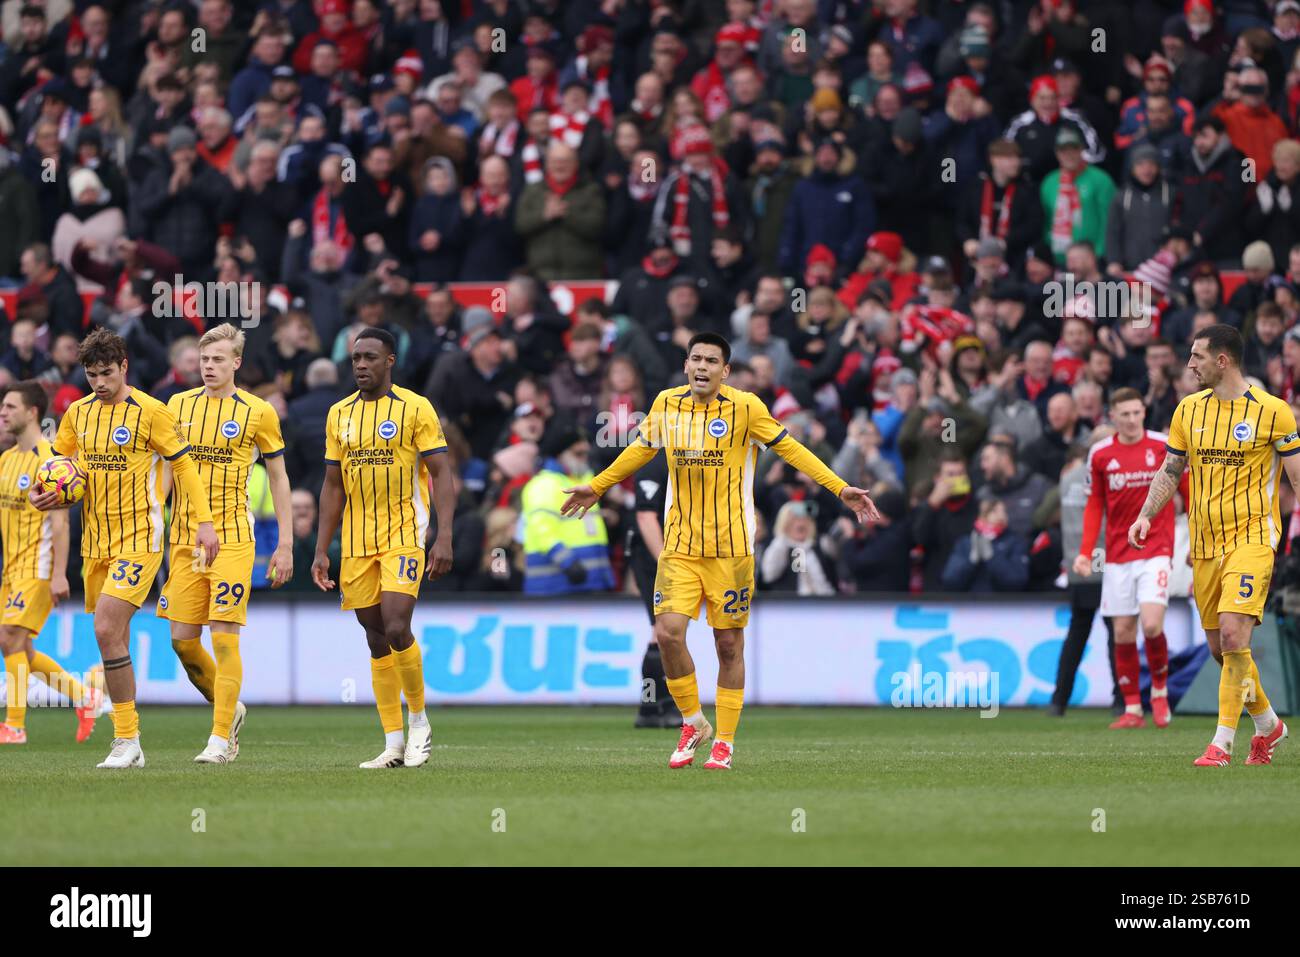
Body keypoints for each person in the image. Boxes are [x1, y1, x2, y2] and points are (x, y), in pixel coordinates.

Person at [560, 333, 879, 771]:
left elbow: (791, 450)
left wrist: (839, 487)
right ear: (687, 364)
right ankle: (693, 722)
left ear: (725, 370)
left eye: (712, 360)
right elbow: (639, 450)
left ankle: (725, 741)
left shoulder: (746, 407)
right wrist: (597, 487)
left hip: (731, 550)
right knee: (668, 633)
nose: (703, 366)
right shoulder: (666, 404)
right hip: (680, 546)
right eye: (696, 358)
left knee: (727, 644)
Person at [33, 330, 219, 769]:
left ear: (124, 368)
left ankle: (126, 739)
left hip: (140, 538)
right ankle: (134, 738)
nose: (99, 382)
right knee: (109, 637)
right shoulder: (77, 414)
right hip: (94, 544)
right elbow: (59, 471)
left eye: (107, 373)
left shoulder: (152, 412)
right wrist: (45, 494)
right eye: (92, 374)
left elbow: (185, 467)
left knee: (104, 628)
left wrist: (205, 522)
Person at [1129, 324, 1298, 766]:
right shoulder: (1188, 410)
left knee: (1233, 632)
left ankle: (1220, 744)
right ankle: (1268, 723)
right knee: (1222, 651)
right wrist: (1147, 514)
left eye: (1197, 356)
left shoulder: (1274, 411)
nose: (1189, 365)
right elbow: (1171, 470)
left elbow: (1296, 476)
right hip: (1204, 543)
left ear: (1222, 361)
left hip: (1253, 538)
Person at [312, 328, 456, 770]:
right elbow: (333, 485)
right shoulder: (338, 414)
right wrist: (321, 549)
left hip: (404, 534)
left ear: (389, 361)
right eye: (355, 357)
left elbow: (442, 473)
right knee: (375, 638)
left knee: (396, 626)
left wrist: (444, 535)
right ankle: (393, 741)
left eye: (370, 357)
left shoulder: (415, 408)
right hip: (356, 543)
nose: (360, 364)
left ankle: (419, 722)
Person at [155, 324, 294, 764]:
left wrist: (286, 542)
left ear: (236, 362)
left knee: (225, 638)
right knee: (182, 641)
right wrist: (153, 511)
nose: (209, 366)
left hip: (233, 537)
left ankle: (219, 739)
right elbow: (165, 466)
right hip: (183, 539)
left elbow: (278, 476)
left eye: (218, 359)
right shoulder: (177, 406)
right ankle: (230, 708)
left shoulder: (258, 412)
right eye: (204, 359)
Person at [1077, 389, 1184, 730]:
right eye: (1125, 414)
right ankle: (1133, 709)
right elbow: (1095, 505)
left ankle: (1159, 692)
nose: (1132, 419)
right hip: (1118, 555)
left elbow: (1188, 489)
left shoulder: (1162, 445)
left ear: (1143, 411)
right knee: (1122, 631)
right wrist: (1084, 552)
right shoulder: (1100, 454)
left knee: (1151, 624)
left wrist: (1196, 535)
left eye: (1137, 412)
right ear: (1113, 416)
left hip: (1156, 548)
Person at [0, 381, 100, 745]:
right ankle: (84, 697)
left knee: (9, 638)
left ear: (32, 412)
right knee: (21, 649)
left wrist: (59, 574)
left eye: (10, 407)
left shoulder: (50, 462)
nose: (3, 412)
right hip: (10, 571)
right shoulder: (6, 461)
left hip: (38, 568)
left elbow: (59, 522)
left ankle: (14, 726)